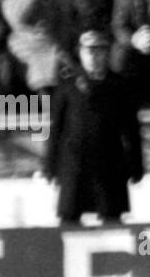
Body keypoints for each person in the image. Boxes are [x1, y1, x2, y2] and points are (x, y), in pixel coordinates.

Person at [44, 30, 143, 226]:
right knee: (69, 220)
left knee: (112, 220)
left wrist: (136, 166)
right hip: (74, 164)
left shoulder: (119, 86)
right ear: (80, 53)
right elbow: (55, 130)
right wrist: (50, 166)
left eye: (100, 51)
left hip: (109, 164)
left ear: (107, 54)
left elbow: (131, 130)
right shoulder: (67, 87)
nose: (94, 56)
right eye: (89, 51)